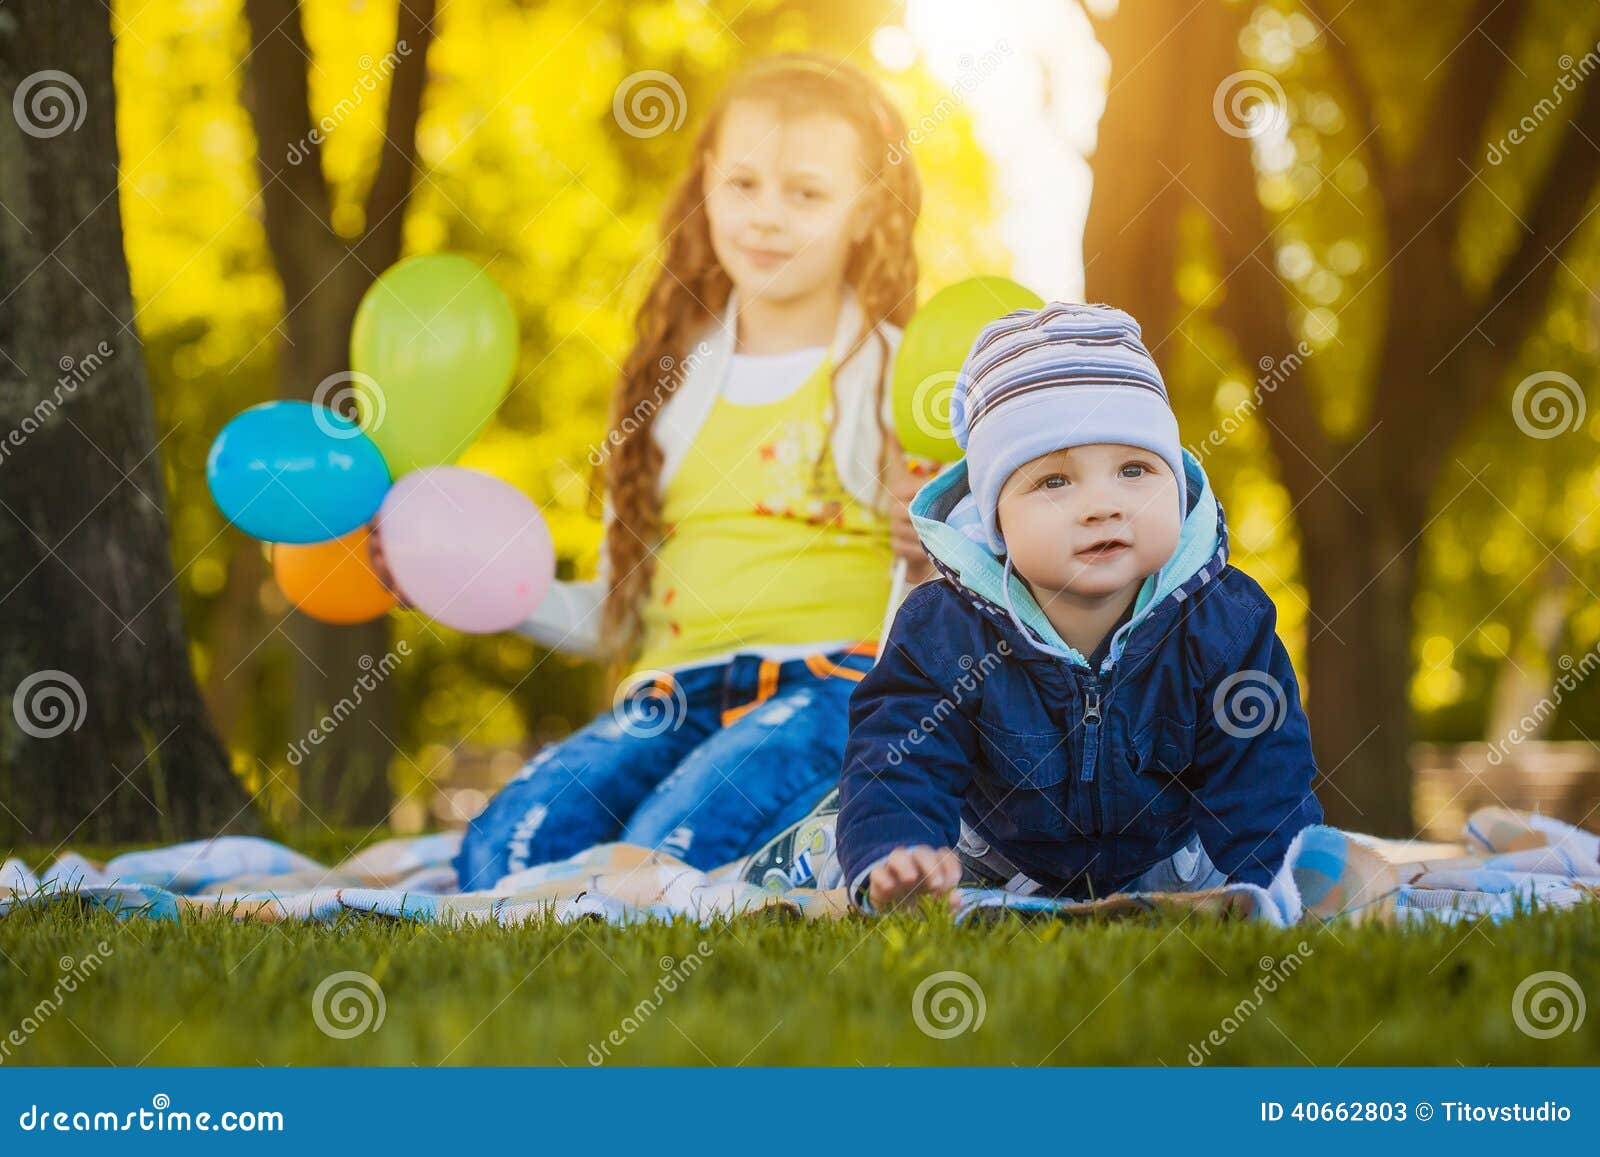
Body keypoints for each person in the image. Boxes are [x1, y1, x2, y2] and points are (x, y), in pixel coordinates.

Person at [374, 54, 931, 888]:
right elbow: (613, 616)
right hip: (668, 699)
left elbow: (944, 604)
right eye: (742, 184)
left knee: (667, 848)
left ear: (866, 212)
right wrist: (467, 583)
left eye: (806, 193)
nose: (767, 216)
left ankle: (819, 841)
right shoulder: (666, 386)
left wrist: (925, 552)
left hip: (829, 691)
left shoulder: (893, 374)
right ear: (706, 185)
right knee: (501, 854)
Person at [836, 302, 1324, 912]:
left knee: (1237, 872)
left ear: (1175, 483)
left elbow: (1263, 773)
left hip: (1165, 859)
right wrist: (898, 850)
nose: (1103, 505)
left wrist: (1287, 883)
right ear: (997, 521)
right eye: (1055, 482)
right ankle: (870, 868)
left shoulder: (1224, 623)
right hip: (995, 857)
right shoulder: (946, 630)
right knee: (857, 847)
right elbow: (900, 755)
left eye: (1134, 469)